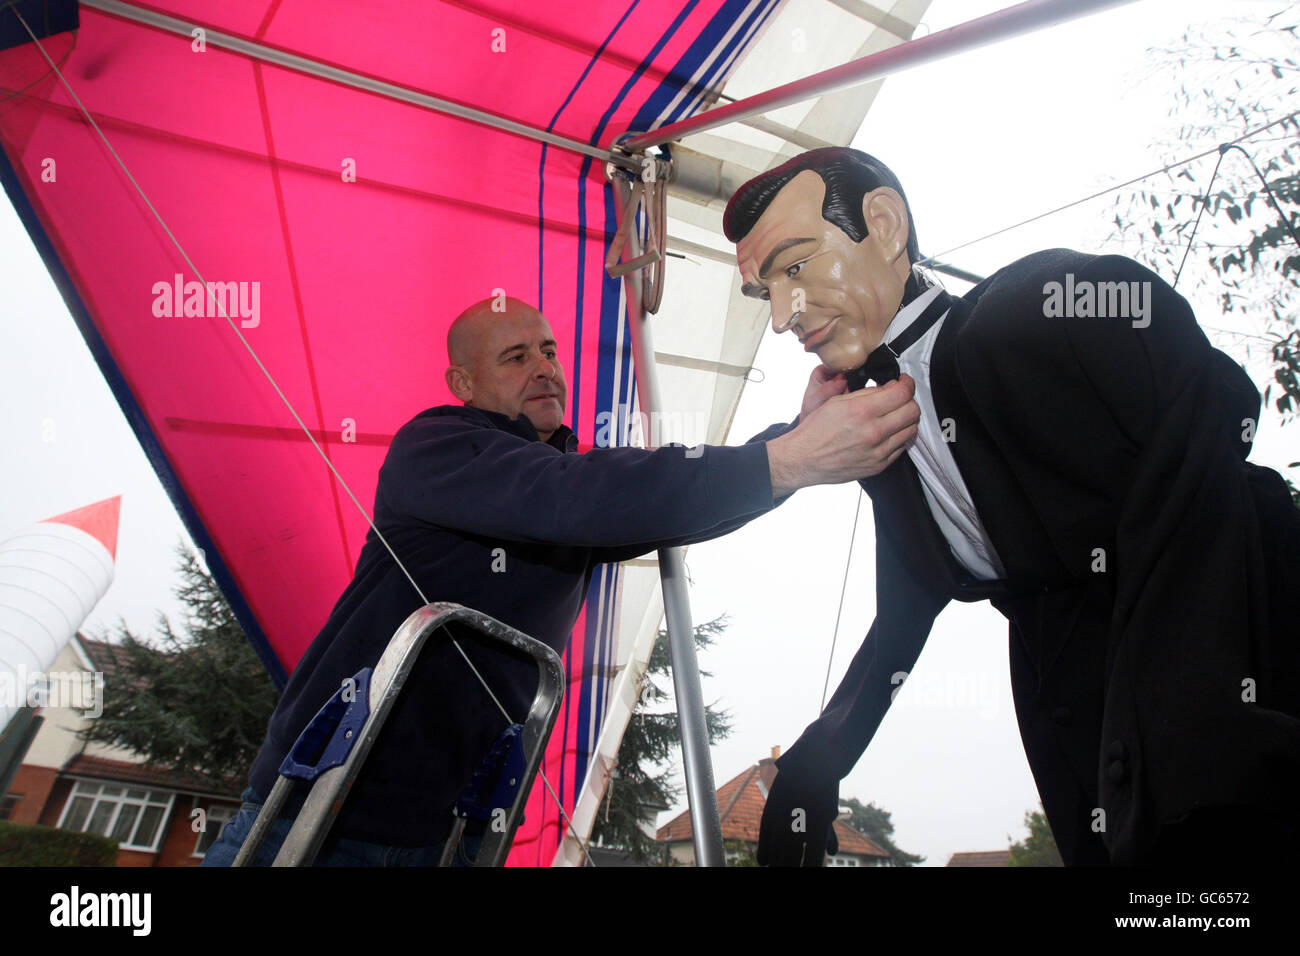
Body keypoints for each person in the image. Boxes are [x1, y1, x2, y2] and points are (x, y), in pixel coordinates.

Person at [725, 147, 1300, 867]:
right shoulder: (876, 431)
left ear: (885, 224)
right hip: (1067, 711)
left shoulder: (1020, 313)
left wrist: (1204, 718)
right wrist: (815, 765)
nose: (783, 316)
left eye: (797, 267)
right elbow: (906, 604)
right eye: (766, 291)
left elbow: (1205, 389)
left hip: (1223, 666)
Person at [203, 294, 919, 866]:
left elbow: (656, 508)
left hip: (448, 834)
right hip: (323, 814)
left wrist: (790, 436)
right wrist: (791, 459)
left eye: (549, 349)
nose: (546, 366)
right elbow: (584, 495)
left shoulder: (570, 493)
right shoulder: (438, 448)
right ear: (465, 383)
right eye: (516, 357)